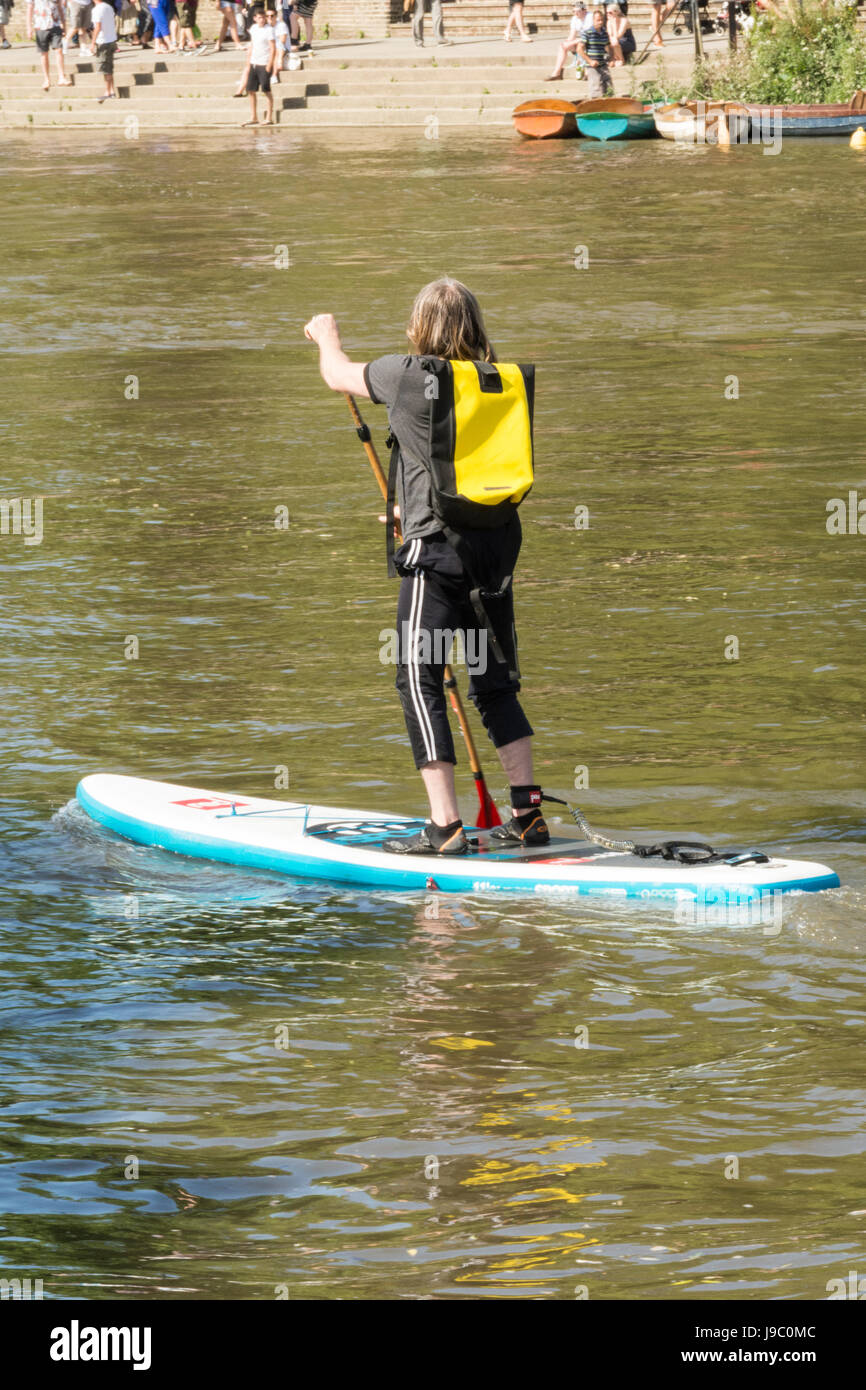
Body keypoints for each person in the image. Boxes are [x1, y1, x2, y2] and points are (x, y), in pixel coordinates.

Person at [303, 279, 550, 858]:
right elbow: (455, 460)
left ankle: (445, 827)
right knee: (493, 684)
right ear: (476, 326)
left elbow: (338, 374)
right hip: (496, 550)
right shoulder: (498, 382)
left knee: (418, 678)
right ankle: (527, 814)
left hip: (437, 557)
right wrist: (406, 500)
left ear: (421, 327)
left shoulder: (408, 375)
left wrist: (325, 336)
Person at [27, 0, 73, 89]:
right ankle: (46, 79)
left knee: (59, 50)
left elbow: (60, 7)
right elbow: (30, 8)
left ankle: (61, 77)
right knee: (44, 53)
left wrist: (63, 24)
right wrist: (29, 27)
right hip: (40, 25)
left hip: (55, 24)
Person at [544, 1, 590, 81]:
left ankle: (587, 73)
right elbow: (572, 36)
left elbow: (589, 36)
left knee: (580, 45)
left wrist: (573, 42)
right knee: (562, 46)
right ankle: (556, 73)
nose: (575, 13)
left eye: (577, 11)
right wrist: (567, 42)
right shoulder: (575, 19)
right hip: (580, 41)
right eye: (574, 11)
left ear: (584, 10)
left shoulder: (590, 17)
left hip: (591, 41)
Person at [243, 4, 274, 124]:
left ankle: (268, 117)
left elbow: (273, 48)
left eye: (264, 17)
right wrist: (248, 62)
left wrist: (269, 65)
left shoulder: (269, 30)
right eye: (260, 17)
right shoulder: (254, 29)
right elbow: (252, 45)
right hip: (254, 63)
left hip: (264, 63)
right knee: (251, 90)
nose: (262, 19)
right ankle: (254, 116)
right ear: (255, 18)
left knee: (266, 91)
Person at [577, 7, 612, 97]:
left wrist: (611, 57)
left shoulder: (604, 33)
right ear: (593, 20)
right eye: (598, 20)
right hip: (592, 65)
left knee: (609, 88)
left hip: (603, 64)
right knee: (596, 89)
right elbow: (579, 49)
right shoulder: (587, 33)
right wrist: (590, 61)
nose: (600, 22)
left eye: (601, 20)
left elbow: (608, 46)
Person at [91, 0, 117, 98]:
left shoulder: (97, 9)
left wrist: (93, 43)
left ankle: (108, 92)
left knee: (105, 69)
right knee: (109, 67)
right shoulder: (109, 7)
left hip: (103, 41)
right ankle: (112, 91)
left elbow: (98, 26)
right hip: (111, 40)